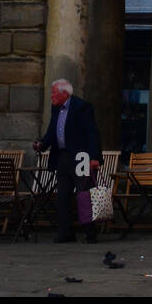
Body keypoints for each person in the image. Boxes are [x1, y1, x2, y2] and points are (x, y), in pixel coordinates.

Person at [33, 79, 103, 243]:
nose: (51, 96)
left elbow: (92, 133)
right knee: (63, 195)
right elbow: (52, 131)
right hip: (62, 157)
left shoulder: (82, 107)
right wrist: (42, 144)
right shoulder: (56, 108)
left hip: (81, 157)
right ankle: (66, 232)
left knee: (84, 194)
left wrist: (94, 157)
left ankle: (90, 233)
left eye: (54, 92)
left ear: (65, 93)